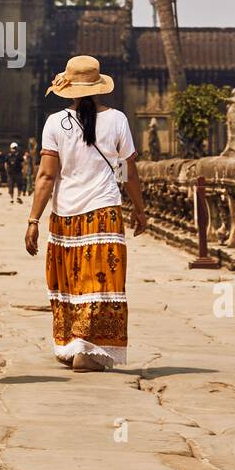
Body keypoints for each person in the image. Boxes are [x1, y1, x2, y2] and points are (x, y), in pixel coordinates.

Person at [24, 55, 147, 371]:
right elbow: (127, 173)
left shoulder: (55, 123)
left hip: (66, 215)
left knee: (71, 282)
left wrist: (33, 220)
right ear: (98, 87)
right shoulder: (118, 120)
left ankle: (73, 343)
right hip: (104, 212)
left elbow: (47, 177)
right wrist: (141, 211)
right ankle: (88, 349)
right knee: (101, 283)